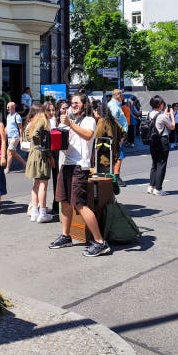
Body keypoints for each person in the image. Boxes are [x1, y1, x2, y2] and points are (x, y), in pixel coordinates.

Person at [48, 93, 111, 257]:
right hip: (66, 164)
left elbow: (89, 135)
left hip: (80, 166)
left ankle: (100, 242)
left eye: (77, 103)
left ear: (84, 105)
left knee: (79, 204)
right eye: (72, 103)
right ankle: (65, 236)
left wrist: (69, 124)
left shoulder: (89, 120)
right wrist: (55, 141)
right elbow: (65, 145)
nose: (73, 105)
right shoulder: (70, 122)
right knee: (64, 202)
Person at [25, 104, 54, 223]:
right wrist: (43, 147)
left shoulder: (36, 119)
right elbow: (35, 134)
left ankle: (35, 212)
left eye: (53, 110)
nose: (51, 112)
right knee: (43, 184)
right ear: (44, 110)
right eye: (49, 110)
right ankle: (42, 212)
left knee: (36, 184)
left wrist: (35, 144)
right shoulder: (42, 119)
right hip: (41, 155)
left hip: (33, 153)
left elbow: (27, 133)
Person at [145, 95, 174, 196]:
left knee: (154, 164)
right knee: (161, 164)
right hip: (162, 140)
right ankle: (158, 188)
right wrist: (172, 115)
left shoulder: (150, 114)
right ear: (159, 104)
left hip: (152, 140)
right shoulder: (163, 116)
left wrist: (165, 114)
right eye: (162, 103)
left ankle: (151, 186)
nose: (163, 104)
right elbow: (172, 126)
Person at [91, 99, 122, 177]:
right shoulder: (113, 120)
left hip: (103, 158)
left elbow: (97, 138)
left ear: (96, 111)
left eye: (94, 111)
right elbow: (123, 133)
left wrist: (92, 156)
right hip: (112, 155)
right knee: (108, 181)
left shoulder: (102, 121)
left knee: (102, 184)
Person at [107, 89, 128, 186]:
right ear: (118, 96)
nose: (123, 97)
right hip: (118, 136)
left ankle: (114, 176)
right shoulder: (114, 106)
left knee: (117, 156)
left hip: (117, 135)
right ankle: (116, 177)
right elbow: (114, 121)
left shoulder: (114, 105)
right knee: (119, 156)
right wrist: (120, 136)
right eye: (122, 95)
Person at [4, 101, 27, 173]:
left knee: (9, 151)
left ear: (13, 107)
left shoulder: (17, 116)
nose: (7, 108)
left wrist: (21, 138)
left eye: (9, 107)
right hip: (9, 137)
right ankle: (25, 164)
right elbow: (7, 127)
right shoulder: (8, 116)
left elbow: (20, 128)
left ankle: (7, 168)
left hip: (15, 136)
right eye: (7, 107)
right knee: (13, 152)